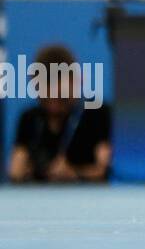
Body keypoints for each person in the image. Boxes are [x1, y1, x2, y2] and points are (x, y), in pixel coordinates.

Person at [8, 44, 112, 183]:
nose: (53, 104)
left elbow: (102, 170)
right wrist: (26, 172)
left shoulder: (96, 112)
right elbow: (15, 169)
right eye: (47, 95)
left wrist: (73, 173)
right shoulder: (30, 118)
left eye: (60, 96)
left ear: (75, 82)